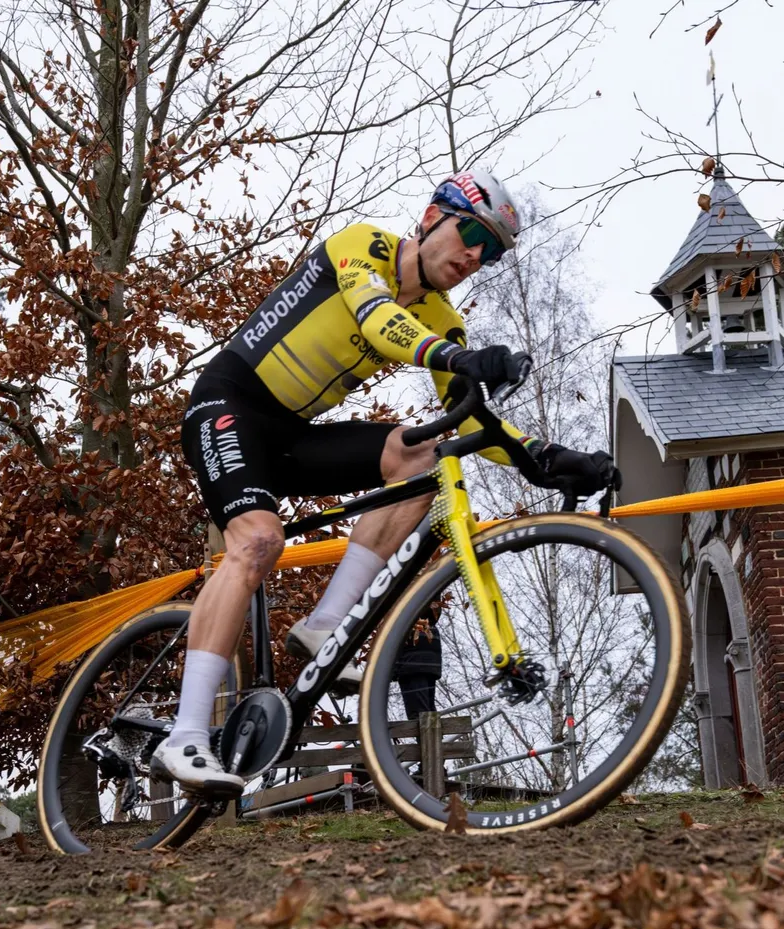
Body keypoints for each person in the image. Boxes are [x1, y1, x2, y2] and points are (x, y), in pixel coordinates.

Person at [158, 169, 616, 795]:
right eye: (471, 234)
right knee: (258, 543)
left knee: (424, 455)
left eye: (491, 251)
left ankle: (327, 623)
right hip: (227, 406)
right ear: (432, 219)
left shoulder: (440, 317)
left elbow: (474, 416)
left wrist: (549, 457)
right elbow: (378, 322)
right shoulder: (363, 246)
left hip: (292, 434)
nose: (476, 256)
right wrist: (455, 357)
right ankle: (185, 737)